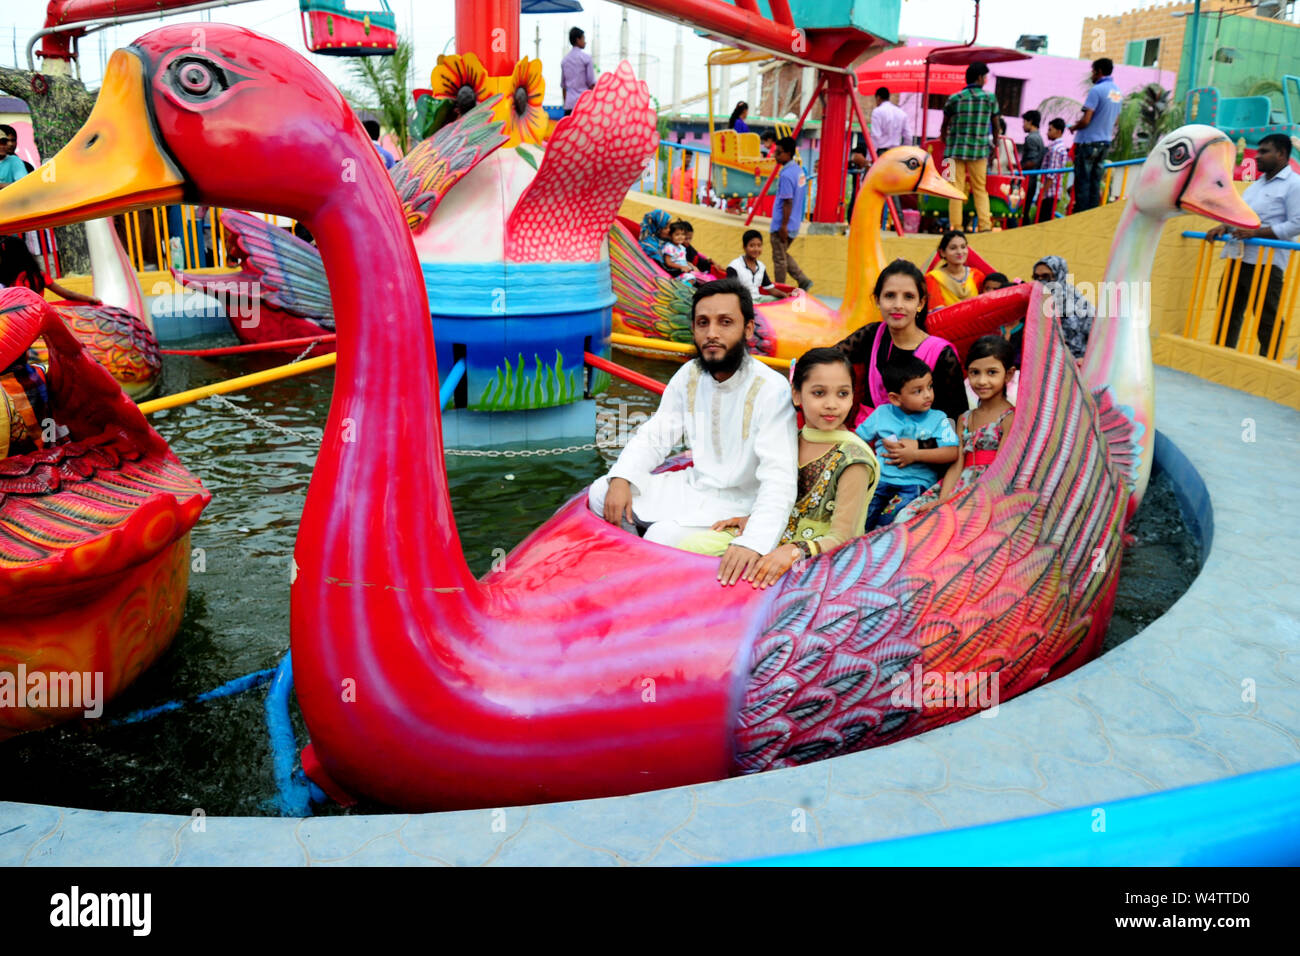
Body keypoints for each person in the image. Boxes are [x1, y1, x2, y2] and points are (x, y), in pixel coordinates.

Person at [589, 278, 798, 586]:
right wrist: (622, 477)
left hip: (740, 505)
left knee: (662, 535)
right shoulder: (689, 375)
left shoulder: (771, 389)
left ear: (748, 330)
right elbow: (656, 434)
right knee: (602, 492)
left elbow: (779, 480)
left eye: (725, 322)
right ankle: (636, 556)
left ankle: (650, 566)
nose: (712, 333)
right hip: (695, 489)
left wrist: (753, 542)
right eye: (703, 323)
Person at [702, 348, 879, 586]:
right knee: (691, 545)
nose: (832, 404)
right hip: (772, 538)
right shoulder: (788, 440)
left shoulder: (853, 459)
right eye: (819, 393)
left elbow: (842, 537)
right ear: (796, 395)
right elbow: (781, 501)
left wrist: (795, 551)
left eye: (842, 394)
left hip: (816, 565)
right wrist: (753, 519)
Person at [896, 335, 1016, 522]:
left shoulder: (1010, 417)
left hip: (988, 492)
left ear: (1008, 374)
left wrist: (953, 500)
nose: (982, 381)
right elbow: (957, 463)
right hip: (956, 486)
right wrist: (944, 499)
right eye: (975, 372)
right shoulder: (965, 418)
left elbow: (1001, 470)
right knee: (907, 517)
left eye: (991, 372)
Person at [835, 259, 968, 425]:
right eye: (890, 296)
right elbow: (827, 360)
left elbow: (955, 417)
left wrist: (917, 450)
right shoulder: (871, 335)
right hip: (863, 441)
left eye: (908, 297)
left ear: (920, 303)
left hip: (918, 443)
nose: (898, 305)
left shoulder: (942, 355)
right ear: (877, 300)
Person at [1204, 133, 1300, 356]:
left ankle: (1269, 364)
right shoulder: (1257, 185)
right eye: (1258, 151)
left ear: (1282, 154)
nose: (1257, 156)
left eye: (1264, 151)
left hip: (1267, 263)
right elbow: (1243, 215)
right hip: (1239, 258)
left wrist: (1257, 233)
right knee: (1227, 312)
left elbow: (1297, 223)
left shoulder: (1294, 184)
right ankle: (1221, 358)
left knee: (1267, 318)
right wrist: (1224, 227)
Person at [856, 356, 959, 530]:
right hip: (879, 481)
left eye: (930, 386)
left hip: (914, 484)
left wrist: (915, 454)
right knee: (862, 519)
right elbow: (858, 442)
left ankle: (885, 553)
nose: (927, 394)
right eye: (917, 391)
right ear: (895, 398)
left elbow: (952, 452)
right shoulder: (882, 414)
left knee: (890, 523)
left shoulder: (938, 418)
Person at [940, 62, 1000, 232]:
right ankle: (985, 226)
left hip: (954, 151)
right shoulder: (990, 98)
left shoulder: (954, 98)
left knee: (954, 189)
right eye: (985, 77)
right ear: (979, 77)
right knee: (980, 189)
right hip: (979, 151)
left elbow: (944, 126)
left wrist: (947, 142)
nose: (986, 80)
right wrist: (994, 147)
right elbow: (996, 127)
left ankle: (956, 227)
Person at [1071, 58, 1123, 213]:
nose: (1091, 76)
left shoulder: (1096, 90)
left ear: (1099, 71)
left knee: (1083, 182)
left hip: (1088, 143)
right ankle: (1092, 215)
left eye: (1093, 72)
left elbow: (1086, 120)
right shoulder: (1117, 92)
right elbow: (1116, 121)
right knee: (1095, 182)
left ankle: (1081, 215)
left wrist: (1074, 127)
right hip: (1104, 142)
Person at [0, 235, 100, 305]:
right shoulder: (38, 275)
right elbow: (68, 294)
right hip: (36, 318)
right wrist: (91, 299)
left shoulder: (5, 277)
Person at [770, 136, 813, 291]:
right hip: (794, 222)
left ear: (788, 153)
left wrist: (783, 226)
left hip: (783, 224)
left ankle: (779, 289)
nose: (775, 155)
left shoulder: (787, 175)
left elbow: (788, 201)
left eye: (779, 153)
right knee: (782, 254)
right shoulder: (799, 172)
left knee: (779, 259)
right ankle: (803, 280)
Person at [1032, 256, 1094, 360]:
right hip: (1039, 364)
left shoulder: (1079, 305)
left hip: (1073, 366)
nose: (1040, 281)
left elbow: (1096, 340)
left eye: (1046, 276)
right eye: (1036, 277)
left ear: (1059, 275)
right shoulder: (1034, 301)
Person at [925, 230, 986, 308]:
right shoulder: (933, 278)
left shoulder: (977, 275)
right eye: (953, 248)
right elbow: (936, 311)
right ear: (942, 252)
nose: (960, 252)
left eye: (963, 247)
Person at [726, 230, 790, 301]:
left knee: (781, 300)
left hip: (758, 299)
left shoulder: (761, 266)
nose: (756, 249)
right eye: (752, 246)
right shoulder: (734, 266)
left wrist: (785, 295)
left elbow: (770, 289)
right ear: (744, 247)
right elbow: (732, 292)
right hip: (743, 301)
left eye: (759, 245)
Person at [1038, 118, 1069, 222]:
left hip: (1050, 193)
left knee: (1043, 221)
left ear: (1058, 131)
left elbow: (1051, 174)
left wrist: (1042, 194)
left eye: (1050, 130)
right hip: (1053, 191)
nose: (1047, 133)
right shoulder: (1060, 147)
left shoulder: (1056, 149)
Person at [561, 26, 596, 117]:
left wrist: (566, 104)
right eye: (583, 39)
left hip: (569, 106)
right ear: (578, 39)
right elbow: (591, 83)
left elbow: (563, 87)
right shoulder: (586, 59)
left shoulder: (565, 60)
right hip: (583, 104)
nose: (585, 42)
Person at [1020, 110, 1045, 225]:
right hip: (1033, 179)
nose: (1023, 124)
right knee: (1026, 209)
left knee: (1022, 210)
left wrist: (1019, 168)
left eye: (1024, 121)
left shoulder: (1031, 138)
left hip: (1028, 179)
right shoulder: (1039, 137)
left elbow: (1032, 161)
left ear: (1030, 122)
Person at [870, 87, 910, 151]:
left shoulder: (877, 111)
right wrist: (904, 152)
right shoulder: (902, 113)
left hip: (882, 152)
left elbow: (875, 136)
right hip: (895, 152)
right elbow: (908, 136)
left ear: (878, 98)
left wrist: (870, 156)